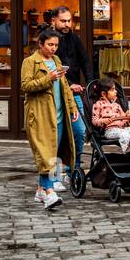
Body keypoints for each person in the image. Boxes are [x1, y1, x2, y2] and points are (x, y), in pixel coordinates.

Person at [22, 28, 79, 209]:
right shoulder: (29, 62)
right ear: (40, 44)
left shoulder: (56, 60)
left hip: (59, 115)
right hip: (40, 116)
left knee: (52, 154)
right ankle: (49, 193)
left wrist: (72, 107)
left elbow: (64, 86)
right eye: (50, 45)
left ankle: (41, 189)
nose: (53, 48)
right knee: (45, 153)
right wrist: (49, 78)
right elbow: (25, 86)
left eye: (56, 45)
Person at [51, 6, 91, 180]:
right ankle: (55, 176)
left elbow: (85, 61)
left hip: (74, 96)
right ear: (54, 20)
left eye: (69, 20)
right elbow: (51, 68)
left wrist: (90, 84)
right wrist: (69, 84)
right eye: (63, 21)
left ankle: (74, 169)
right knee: (57, 136)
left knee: (80, 131)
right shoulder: (49, 41)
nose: (67, 24)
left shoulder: (74, 39)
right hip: (55, 95)